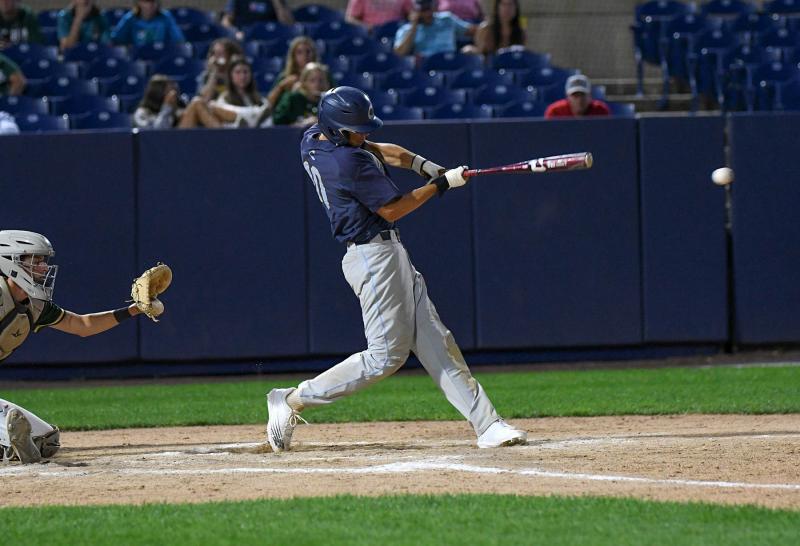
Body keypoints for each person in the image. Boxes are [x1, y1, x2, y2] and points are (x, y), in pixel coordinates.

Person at [265, 86, 528, 452]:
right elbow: (393, 208)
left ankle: (488, 424)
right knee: (385, 355)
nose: (365, 135)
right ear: (338, 129)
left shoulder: (314, 138)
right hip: (373, 259)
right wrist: (440, 185)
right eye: (357, 130)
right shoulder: (346, 163)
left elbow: (385, 151)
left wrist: (426, 167)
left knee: (436, 341)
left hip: (388, 254)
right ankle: (292, 399)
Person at [0, 230, 168, 464]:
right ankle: (9, 446)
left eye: (44, 261)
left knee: (47, 441)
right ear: (10, 262)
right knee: (13, 436)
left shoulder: (35, 305)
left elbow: (82, 325)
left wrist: (135, 309)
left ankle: (10, 448)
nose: (44, 268)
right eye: (36, 261)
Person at [393, 0, 476, 58]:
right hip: (427, 67)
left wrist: (477, 49)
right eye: (423, 10)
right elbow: (399, 53)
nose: (427, 13)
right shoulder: (406, 29)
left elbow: (475, 30)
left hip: (451, 61)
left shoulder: (447, 19)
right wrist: (414, 26)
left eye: (429, 8)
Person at [266, 36, 318, 109]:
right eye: (299, 52)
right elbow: (269, 103)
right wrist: (281, 86)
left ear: (313, 54)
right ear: (293, 56)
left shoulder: (323, 75)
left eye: (308, 51)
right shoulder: (285, 77)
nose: (305, 56)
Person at [271, 62, 329, 126]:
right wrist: (300, 124)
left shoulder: (330, 102)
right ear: (304, 83)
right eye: (312, 80)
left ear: (327, 83)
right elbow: (277, 123)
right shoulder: (292, 99)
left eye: (321, 80)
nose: (317, 84)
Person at [110, 0, 184, 47]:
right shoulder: (130, 18)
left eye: (153, 1)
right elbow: (116, 40)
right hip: (138, 57)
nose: (150, 5)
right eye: (146, 1)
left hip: (160, 55)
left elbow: (179, 40)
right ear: (138, 2)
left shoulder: (165, 18)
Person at [195, 38, 244, 102]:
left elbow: (238, 96)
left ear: (230, 56)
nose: (216, 57)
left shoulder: (239, 74)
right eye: (214, 53)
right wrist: (214, 73)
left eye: (220, 53)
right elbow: (204, 99)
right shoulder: (206, 76)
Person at [544, 74, 611, 119]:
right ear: (568, 97)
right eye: (575, 96)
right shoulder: (555, 111)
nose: (579, 100)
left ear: (590, 96)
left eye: (583, 95)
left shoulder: (601, 111)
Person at [221, 0, 293, 39]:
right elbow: (226, 21)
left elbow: (288, 23)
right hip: (244, 37)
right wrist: (234, 32)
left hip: (268, 38)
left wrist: (277, 2)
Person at [345, 0, 412, 32]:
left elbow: (412, 14)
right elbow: (350, 19)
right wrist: (366, 27)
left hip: (397, 34)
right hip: (371, 34)